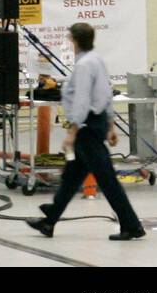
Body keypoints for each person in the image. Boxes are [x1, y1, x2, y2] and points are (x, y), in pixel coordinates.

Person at [27, 23, 146, 241]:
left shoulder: (83, 66)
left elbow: (82, 100)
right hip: (96, 123)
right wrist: (110, 125)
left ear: (75, 41)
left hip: (87, 129)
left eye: (70, 39)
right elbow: (105, 93)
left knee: (108, 180)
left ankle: (131, 225)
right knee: (71, 177)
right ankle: (50, 220)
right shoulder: (96, 60)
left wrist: (72, 132)